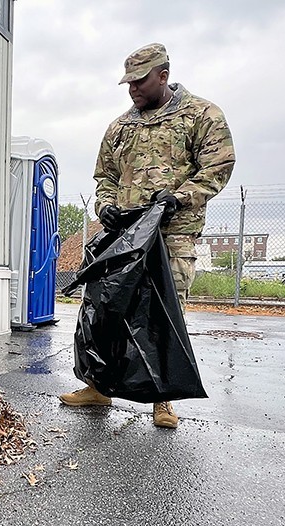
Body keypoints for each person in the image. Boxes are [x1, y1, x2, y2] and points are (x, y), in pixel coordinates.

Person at [59, 43, 235, 428]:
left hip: (171, 236)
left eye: (140, 81)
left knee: (163, 315)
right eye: (128, 83)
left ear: (163, 76)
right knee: (107, 310)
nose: (132, 89)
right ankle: (99, 386)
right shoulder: (121, 126)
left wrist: (179, 197)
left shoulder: (201, 115)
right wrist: (103, 205)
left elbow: (218, 166)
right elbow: (103, 176)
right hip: (124, 237)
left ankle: (163, 400)